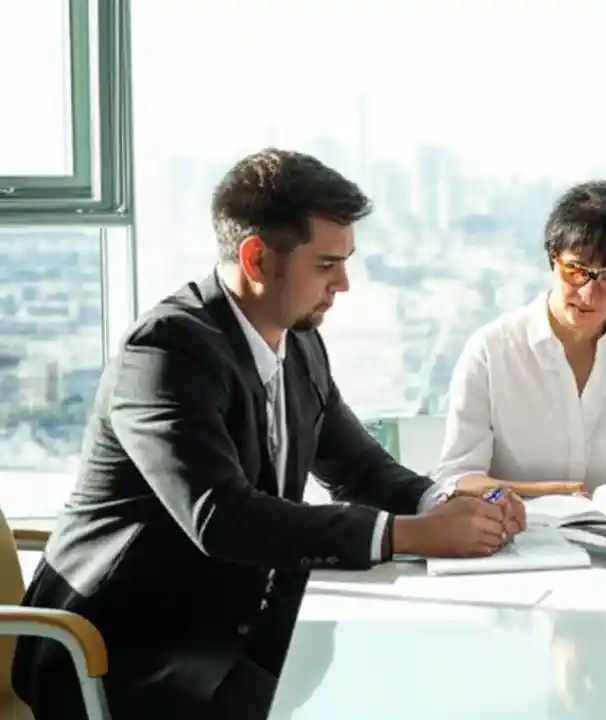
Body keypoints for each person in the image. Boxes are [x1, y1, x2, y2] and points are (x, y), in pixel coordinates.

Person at [13, 148, 526, 719]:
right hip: (131, 654)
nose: (345, 284)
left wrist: (448, 501)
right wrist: (411, 535)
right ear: (257, 259)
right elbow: (221, 516)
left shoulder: (300, 340)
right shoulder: (165, 352)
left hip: (241, 639)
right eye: (327, 265)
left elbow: (356, 467)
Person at [435, 180, 606, 497]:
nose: (589, 293)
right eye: (576, 270)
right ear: (552, 257)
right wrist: (547, 493)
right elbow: (455, 479)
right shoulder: (491, 351)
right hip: (520, 538)